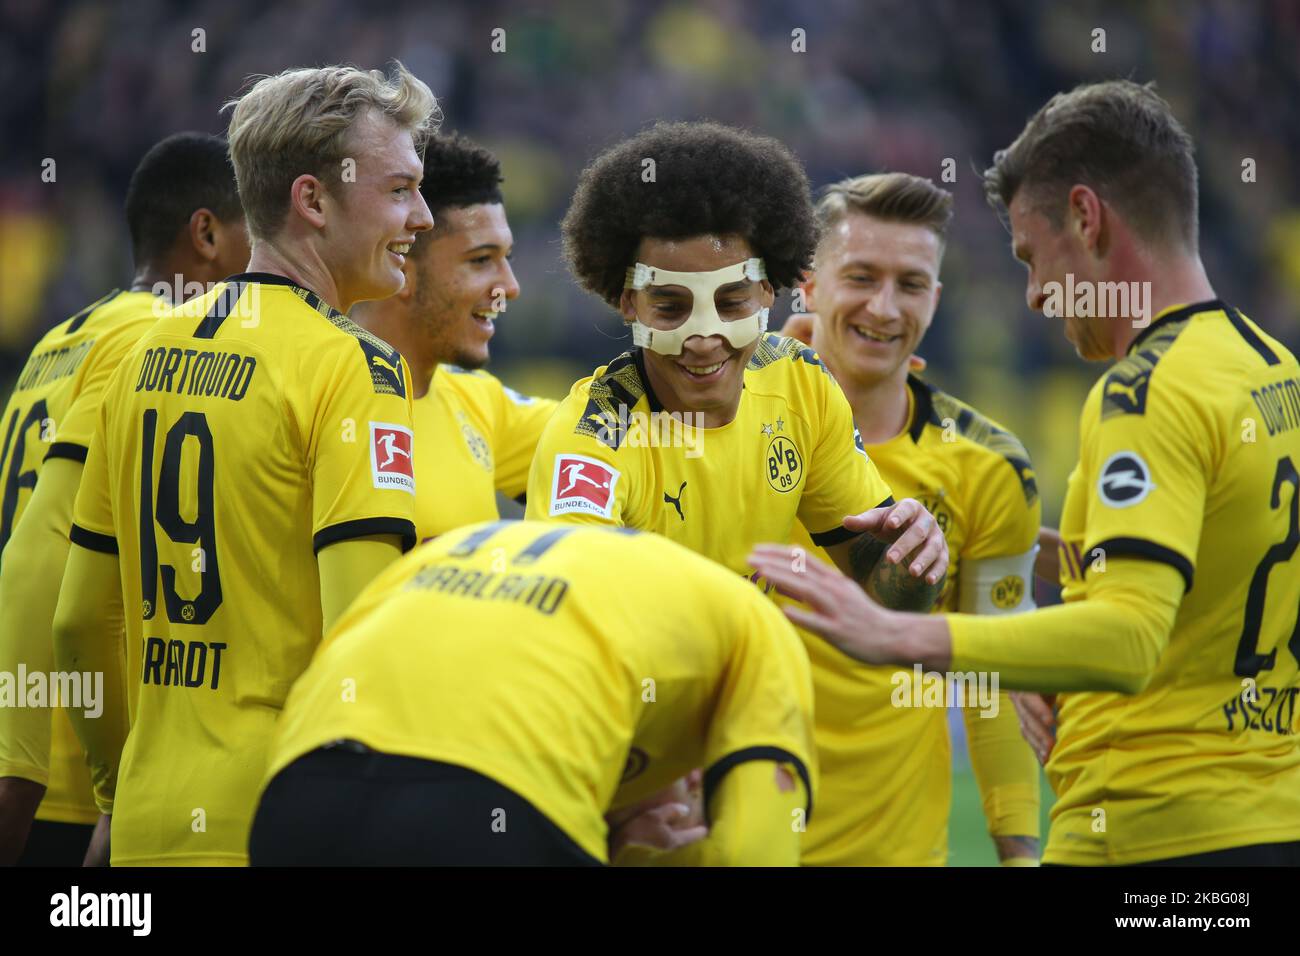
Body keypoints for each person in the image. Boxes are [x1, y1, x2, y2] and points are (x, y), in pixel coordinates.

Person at [750, 79, 1300, 866]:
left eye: (1031, 257)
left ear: (1086, 217)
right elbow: (1225, 557)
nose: (1038, 294)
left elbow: (1127, 635)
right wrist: (1052, 571)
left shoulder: (1142, 395)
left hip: (1152, 831)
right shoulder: (1272, 368)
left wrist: (898, 632)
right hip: (1267, 815)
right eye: (861, 278)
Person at [52, 63, 438, 865]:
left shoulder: (138, 354)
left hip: (149, 822)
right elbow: (361, 642)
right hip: (278, 823)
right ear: (313, 199)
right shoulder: (353, 369)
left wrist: (117, 796)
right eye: (401, 190)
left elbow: (78, 623)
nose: (423, 217)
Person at [526, 121, 947, 617]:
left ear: (769, 291)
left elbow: (886, 587)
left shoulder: (802, 382)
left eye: (731, 303)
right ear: (628, 303)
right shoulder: (595, 439)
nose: (704, 340)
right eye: (671, 307)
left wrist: (917, 560)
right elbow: (569, 621)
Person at [249, 520, 815, 866]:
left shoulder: (471, 550)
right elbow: (750, 857)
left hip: (298, 795)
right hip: (489, 809)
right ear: (699, 771)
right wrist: (643, 856)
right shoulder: (763, 631)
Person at [0, 132, 250, 865]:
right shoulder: (157, 341)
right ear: (205, 233)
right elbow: (43, 564)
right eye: (254, 234)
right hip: (77, 768)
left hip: (29, 735)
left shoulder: (60, 340)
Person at [783, 172, 1041, 866]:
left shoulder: (989, 468)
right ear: (806, 285)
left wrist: (1019, 853)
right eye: (861, 277)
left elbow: (993, 683)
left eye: (911, 283)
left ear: (936, 298)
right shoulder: (731, 421)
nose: (885, 307)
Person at [353, 133, 557, 541]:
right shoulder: (325, 406)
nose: (510, 286)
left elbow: (639, 448)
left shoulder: (481, 403)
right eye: (481, 260)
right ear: (403, 273)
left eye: (507, 259)